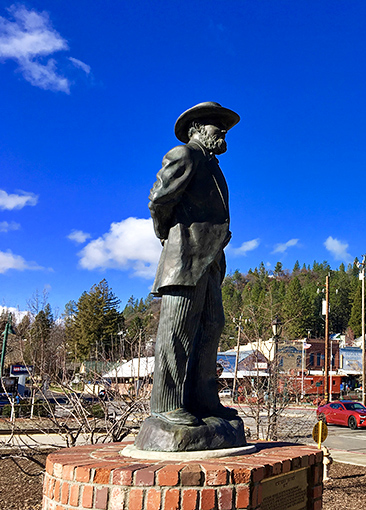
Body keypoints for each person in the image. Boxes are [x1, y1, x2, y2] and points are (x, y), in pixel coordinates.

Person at [147, 102, 239, 426]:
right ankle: (167, 405)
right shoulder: (184, 155)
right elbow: (159, 200)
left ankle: (204, 400)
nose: (224, 132)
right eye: (218, 126)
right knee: (176, 333)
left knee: (211, 327)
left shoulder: (213, 167)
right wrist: (168, 237)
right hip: (185, 260)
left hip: (210, 262)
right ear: (197, 129)